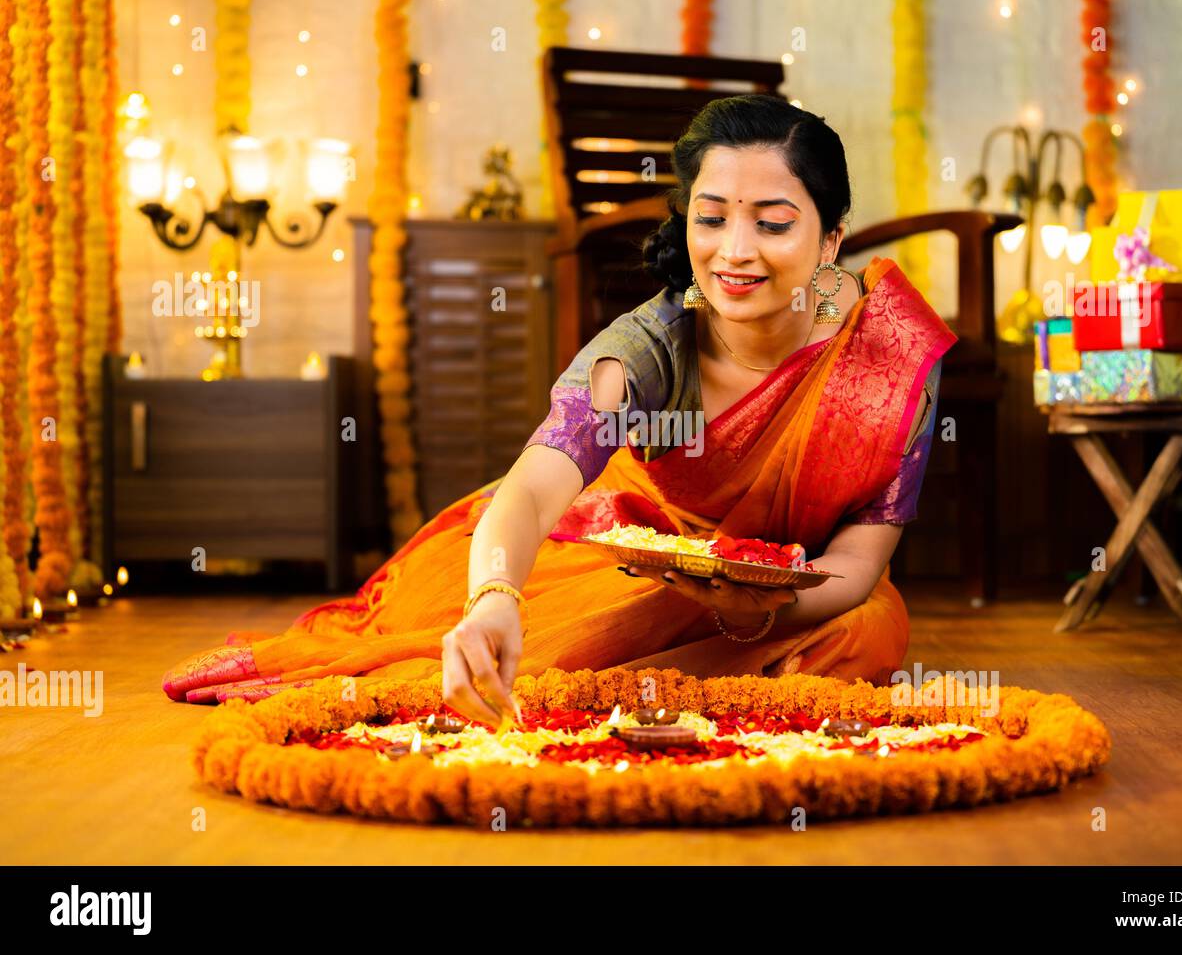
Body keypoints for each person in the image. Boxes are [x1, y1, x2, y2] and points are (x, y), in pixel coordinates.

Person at [162, 94, 956, 724]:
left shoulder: (891, 354)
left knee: (868, 629)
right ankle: (640, 680)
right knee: (571, 614)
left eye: (772, 223)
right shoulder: (646, 346)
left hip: (800, 586)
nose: (735, 251)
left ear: (829, 240)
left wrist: (755, 612)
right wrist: (493, 600)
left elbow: (857, 563)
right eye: (711, 219)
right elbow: (539, 486)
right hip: (647, 553)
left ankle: (665, 684)